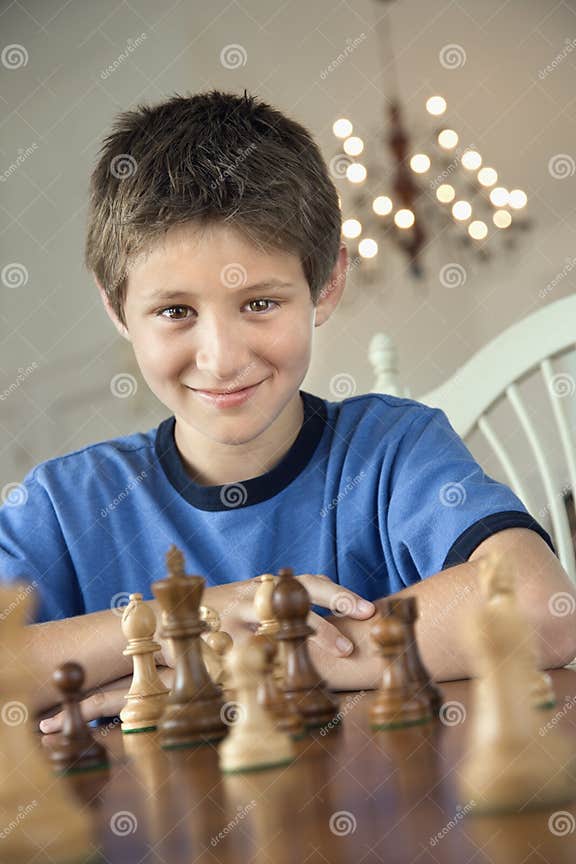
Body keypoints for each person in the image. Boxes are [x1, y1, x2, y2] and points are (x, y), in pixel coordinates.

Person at [1, 91, 574, 733]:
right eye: (174, 312)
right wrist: (189, 619)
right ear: (117, 309)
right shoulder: (61, 505)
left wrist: (239, 661)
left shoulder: (391, 450)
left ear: (326, 284)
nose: (221, 359)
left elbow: (540, 605)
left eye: (259, 304)